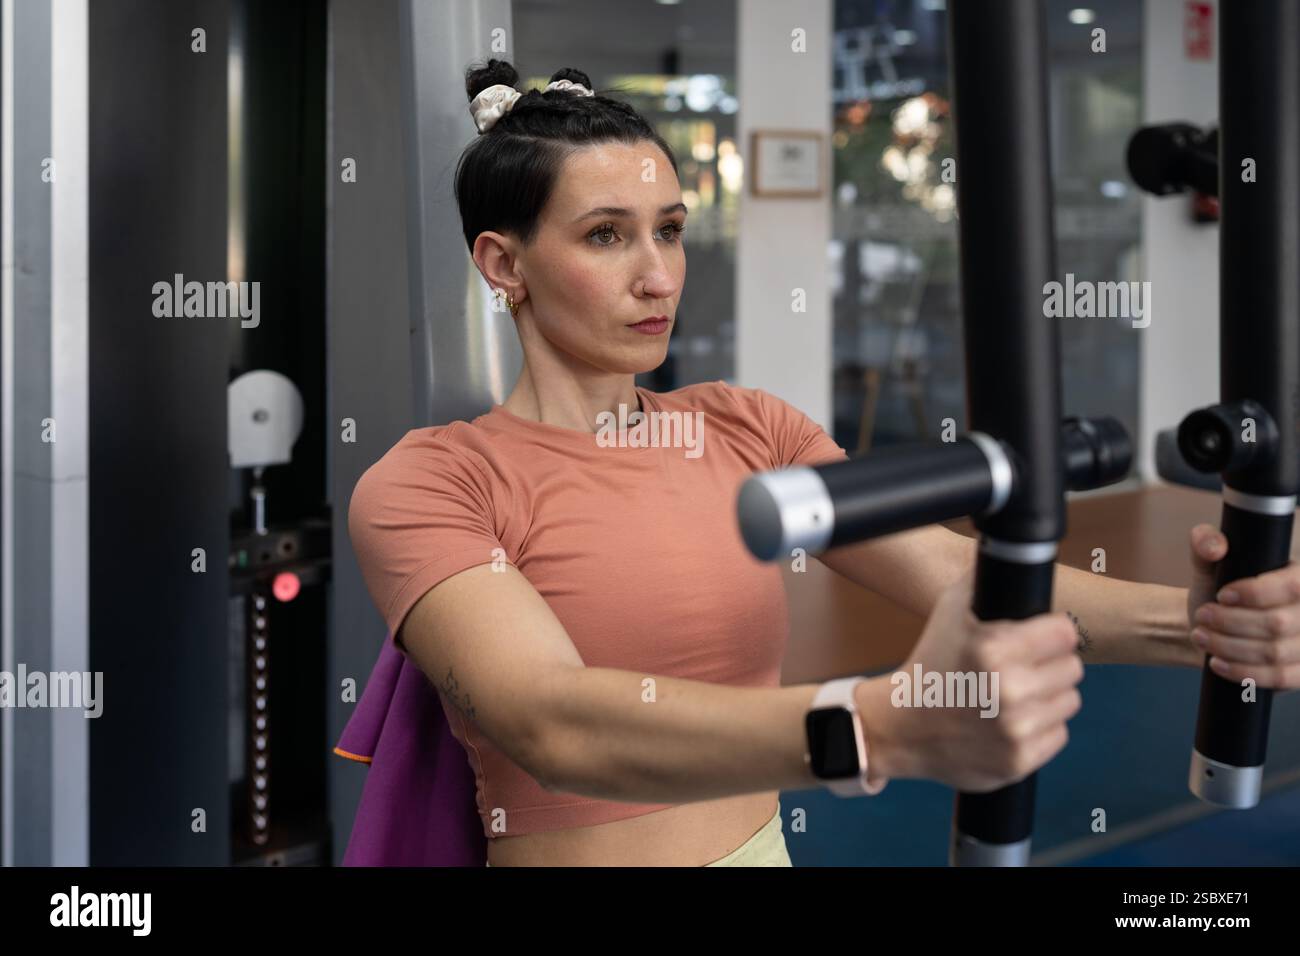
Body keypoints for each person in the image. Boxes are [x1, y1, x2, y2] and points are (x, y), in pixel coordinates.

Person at [346, 59, 1300, 867]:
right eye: (606, 235)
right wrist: (874, 727)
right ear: (503, 264)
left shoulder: (746, 425)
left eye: (669, 230)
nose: (659, 276)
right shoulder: (433, 482)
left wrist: (1208, 626)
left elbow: (962, 574)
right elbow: (552, 723)